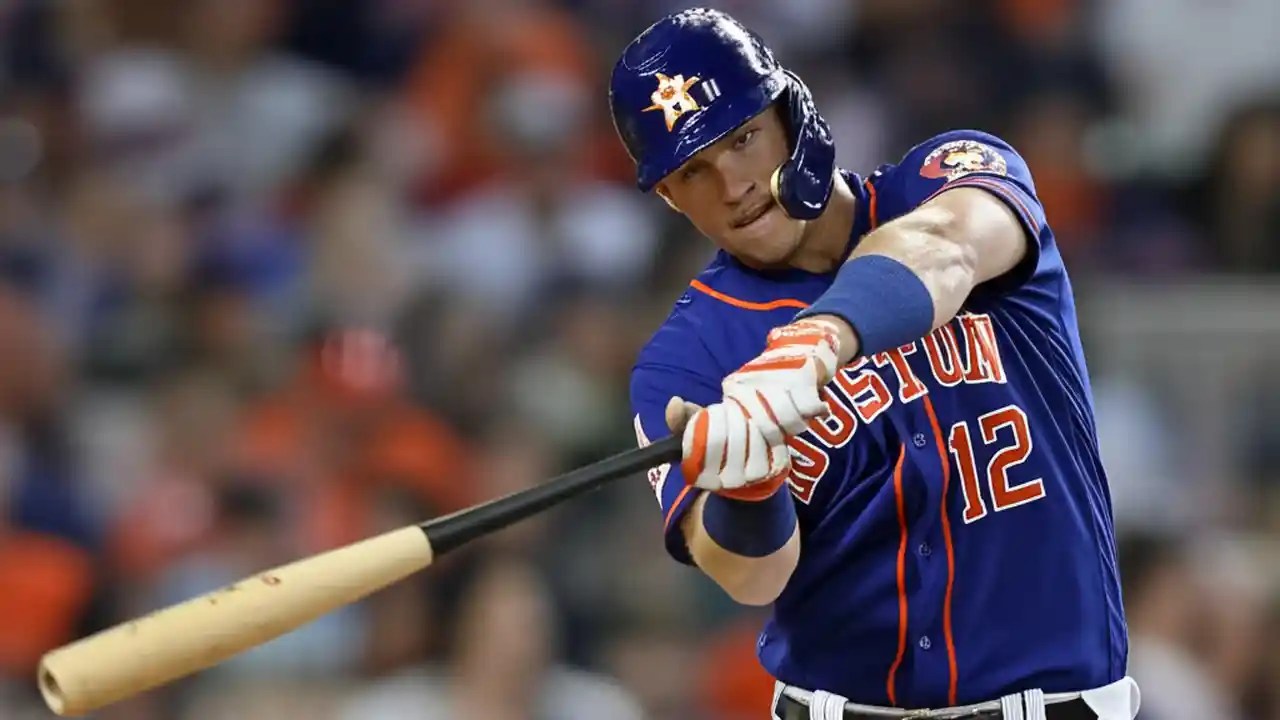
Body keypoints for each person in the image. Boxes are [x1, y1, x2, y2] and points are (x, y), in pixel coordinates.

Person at [617, 9, 1141, 720]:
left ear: (791, 114)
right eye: (694, 171)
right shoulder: (684, 360)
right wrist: (749, 488)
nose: (734, 185)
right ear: (671, 197)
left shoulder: (948, 176)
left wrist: (816, 343)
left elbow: (948, 246)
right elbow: (749, 578)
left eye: (742, 138)